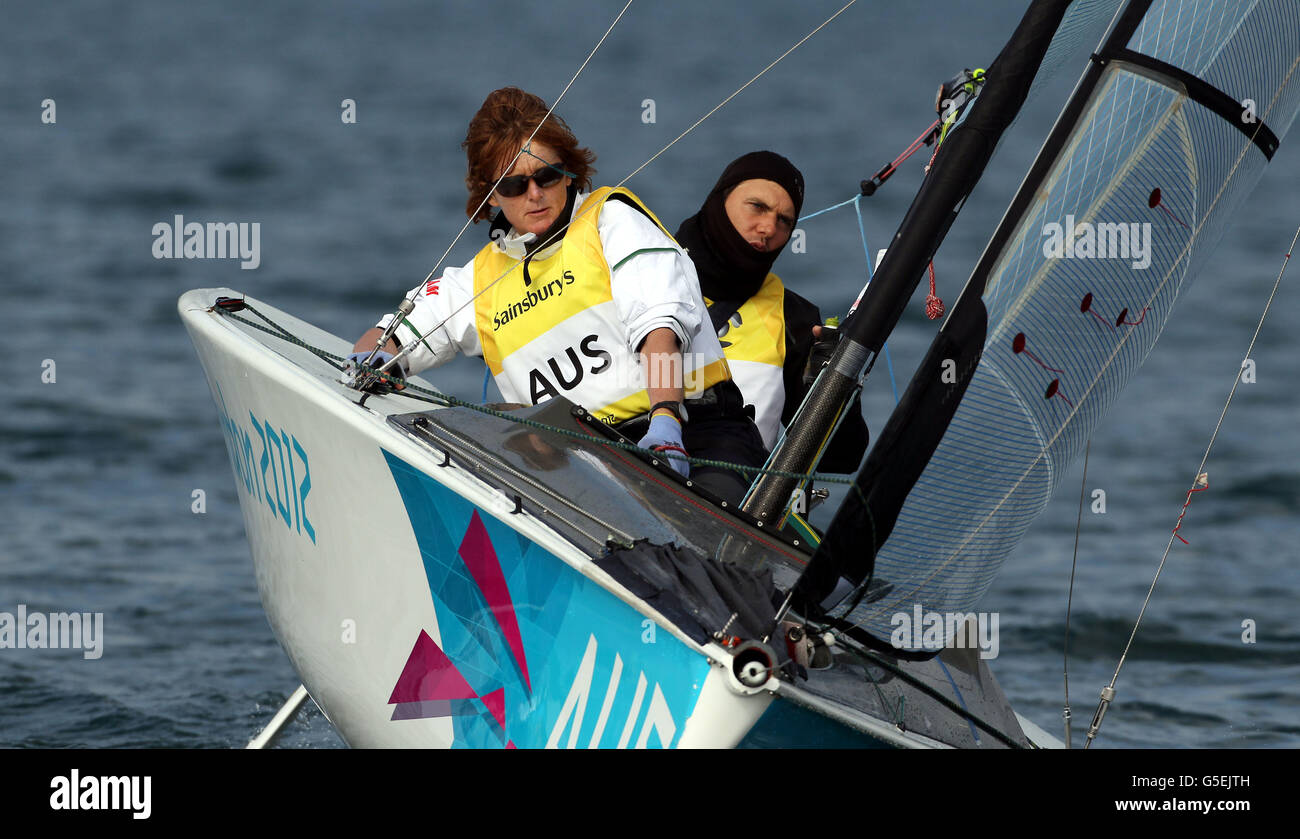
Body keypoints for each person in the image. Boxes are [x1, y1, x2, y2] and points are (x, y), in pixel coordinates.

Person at [349, 87, 766, 504]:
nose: (534, 193)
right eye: (514, 184)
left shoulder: (611, 219)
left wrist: (666, 422)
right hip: (580, 464)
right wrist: (375, 358)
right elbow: (394, 336)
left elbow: (658, 323)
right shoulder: (478, 281)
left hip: (692, 434)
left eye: (546, 175)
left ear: (568, 172)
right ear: (491, 194)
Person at [674, 151, 868, 472]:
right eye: (758, 207)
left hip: (719, 503)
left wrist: (833, 386)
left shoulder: (798, 320)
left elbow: (840, 460)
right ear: (721, 200)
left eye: (785, 221)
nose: (768, 228)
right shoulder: (643, 268)